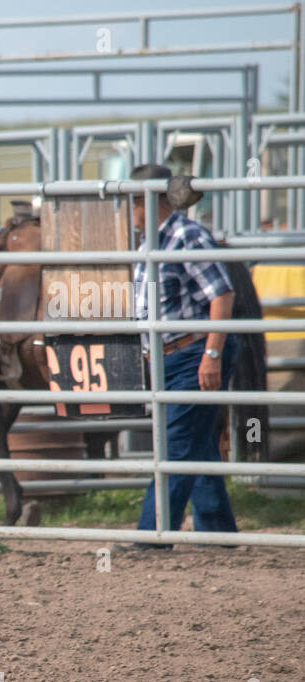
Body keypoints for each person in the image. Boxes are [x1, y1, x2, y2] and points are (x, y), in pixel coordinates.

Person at [127, 162, 240, 547]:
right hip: (172, 354)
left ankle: (151, 536)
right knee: (197, 442)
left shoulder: (186, 236)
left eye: (132, 201)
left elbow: (222, 295)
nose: (128, 210)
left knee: (176, 446)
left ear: (149, 202)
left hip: (193, 351)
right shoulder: (153, 240)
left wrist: (212, 353)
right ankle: (219, 533)